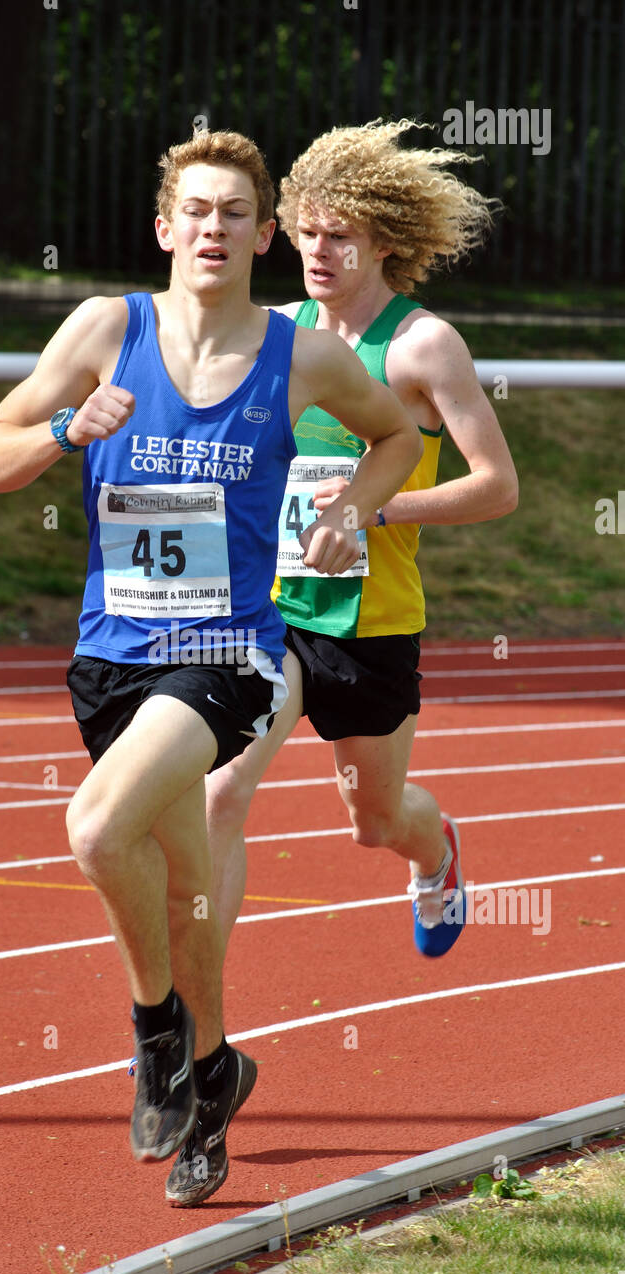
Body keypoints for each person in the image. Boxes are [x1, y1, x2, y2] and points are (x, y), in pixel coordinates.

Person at [0, 128, 423, 1207]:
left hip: (226, 658)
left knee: (93, 827)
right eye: (195, 211)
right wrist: (70, 428)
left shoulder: (298, 355)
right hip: (111, 660)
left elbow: (394, 435)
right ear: (164, 229)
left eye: (233, 215)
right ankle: (214, 1074)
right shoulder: (103, 328)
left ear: (262, 236)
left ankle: (154, 1030)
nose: (213, 229)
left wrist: (352, 512)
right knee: (182, 894)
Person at [206, 120, 519, 1029]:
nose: (317, 249)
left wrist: (371, 510)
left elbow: (496, 487)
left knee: (375, 822)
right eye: (305, 230)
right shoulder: (279, 336)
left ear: (387, 240)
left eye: (339, 233)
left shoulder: (423, 347)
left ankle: (437, 855)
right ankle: (199, 1026)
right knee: (220, 793)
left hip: (369, 621)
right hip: (268, 617)